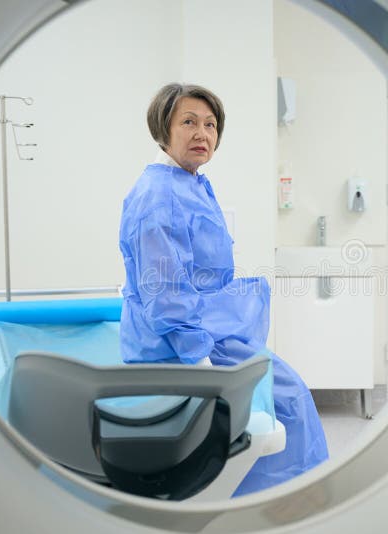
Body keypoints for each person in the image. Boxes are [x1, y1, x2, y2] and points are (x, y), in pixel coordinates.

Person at [118, 83, 328, 496]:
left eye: (211, 124)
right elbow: (164, 294)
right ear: (163, 129)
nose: (203, 134)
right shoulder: (158, 196)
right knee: (288, 401)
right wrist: (201, 364)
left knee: (291, 392)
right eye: (189, 122)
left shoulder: (189, 181)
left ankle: (281, 506)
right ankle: (268, 508)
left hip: (209, 330)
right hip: (180, 344)